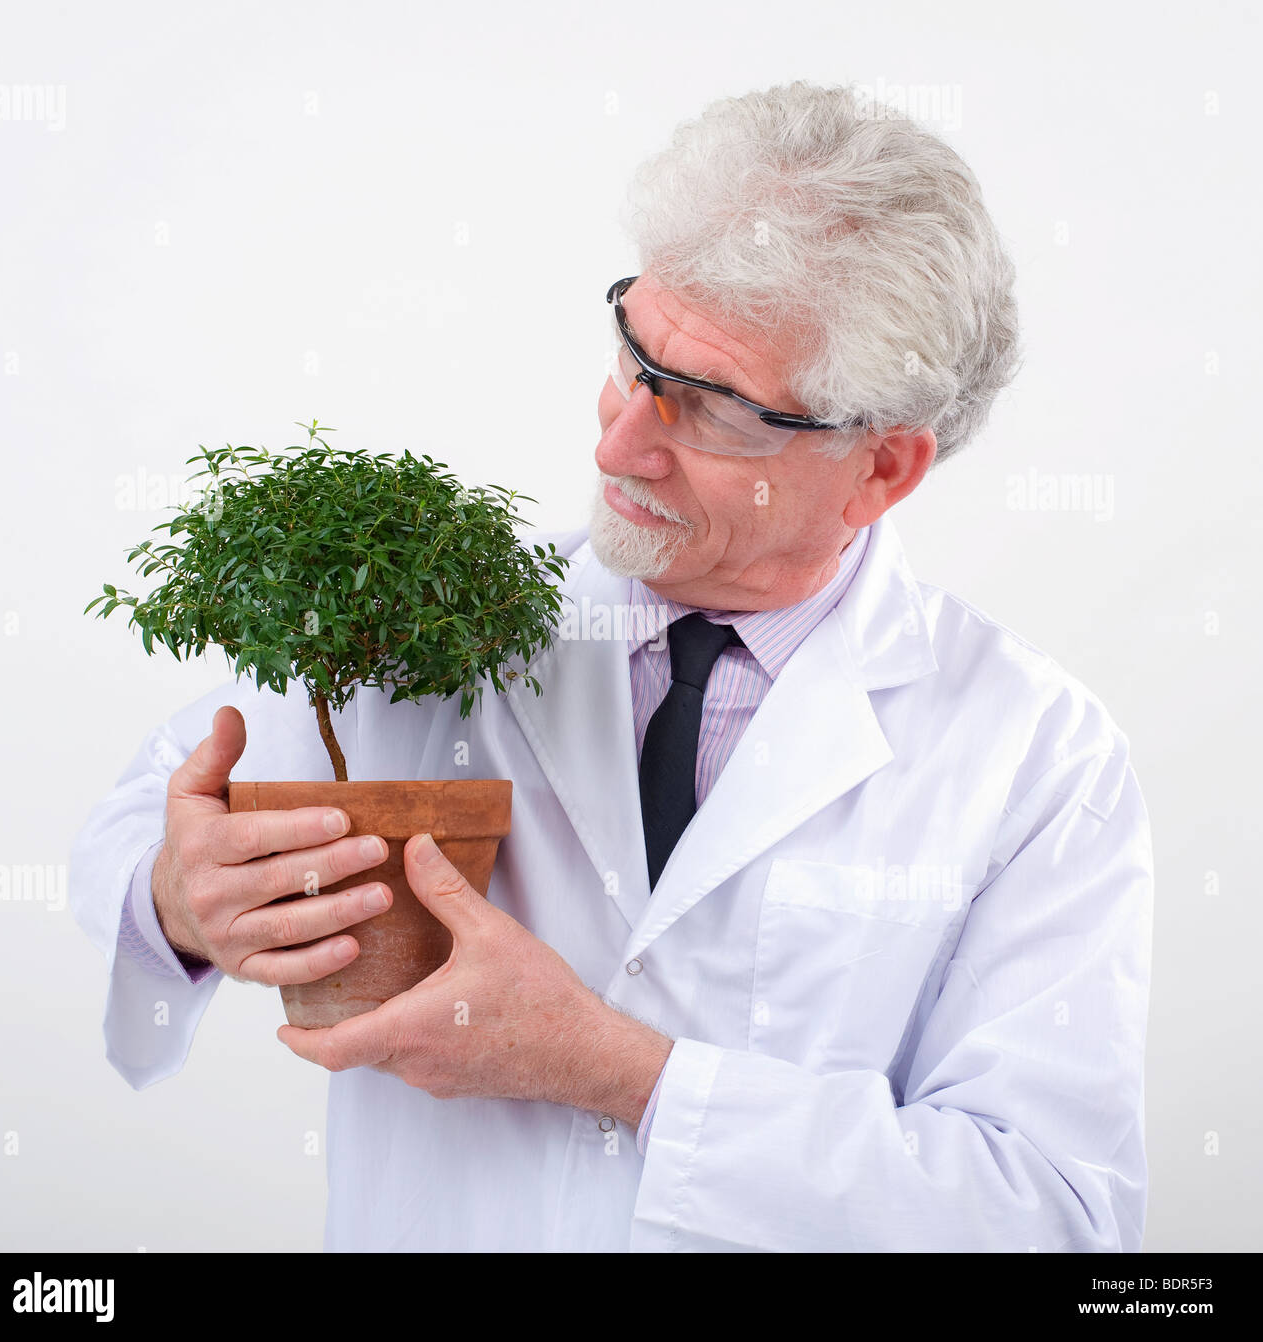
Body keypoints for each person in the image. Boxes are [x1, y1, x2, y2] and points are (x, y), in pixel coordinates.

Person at [69, 81, 1153, 1252]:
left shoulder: (1036, 753)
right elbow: (145, 813)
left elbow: (1049, 1214)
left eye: (713, 410)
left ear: (880, 468)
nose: (620, 439)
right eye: (634, 351)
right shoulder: (425, 615)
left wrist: (625, 1075)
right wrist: (179, 898)